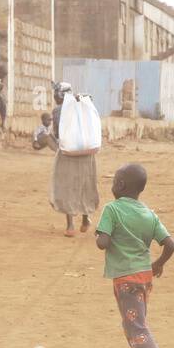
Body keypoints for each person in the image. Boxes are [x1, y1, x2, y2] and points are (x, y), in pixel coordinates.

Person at [95, 163, 174, 348]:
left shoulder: (112, 210)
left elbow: (103, 242)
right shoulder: (148, 213)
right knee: (132, 325)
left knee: (138, 330)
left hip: (125, 279)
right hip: (144, 276)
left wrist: (101, 236)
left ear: (120, 185)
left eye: (114, 181)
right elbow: (171, 245)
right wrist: (158, 264)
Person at [50, 82, 100, 237]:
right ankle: (85, 220)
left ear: (59, 95)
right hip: (87, 154)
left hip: (67, 154)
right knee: (85, 184)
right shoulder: (85, 105)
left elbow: (59, 134)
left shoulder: (58, 111)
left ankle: (70, 226)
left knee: (67, 187)